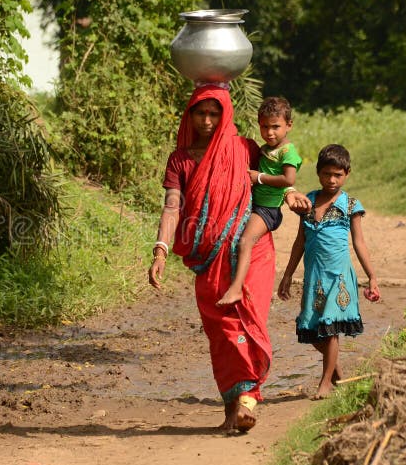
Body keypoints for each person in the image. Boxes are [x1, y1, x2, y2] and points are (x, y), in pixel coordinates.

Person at [147, 84, 311, 433]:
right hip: (208, 257)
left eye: (214, 113)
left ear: (225, 115)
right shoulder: (180, 159)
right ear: (189, 115)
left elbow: (276, 173)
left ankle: (247, 401)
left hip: (252, 252)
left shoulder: (244, 148)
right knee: (221, 332)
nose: (207, 120)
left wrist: (293, 191)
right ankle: (231, 409)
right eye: (200, 113)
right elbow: (172, 207)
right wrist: (160, 248)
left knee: (247, 323)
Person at [277, 144, 381, 399]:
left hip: (340, 276)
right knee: (311, 329)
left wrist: (372, 277)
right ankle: (338, 375)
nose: (332, 180)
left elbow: (359, 242)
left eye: (337, 175)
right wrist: (288, 273)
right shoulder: (307, 202)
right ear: (318, 174)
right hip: (314, 276)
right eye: (327, 174)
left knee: (331, 326)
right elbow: (299, 241)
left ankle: (325, 383)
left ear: (347, 174)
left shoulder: (350, 205)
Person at [217, 96, 302, 306]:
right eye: (265, 127)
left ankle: (236, 289)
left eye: (276, 127)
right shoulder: (267, 148)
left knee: (245, 241)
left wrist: (260, 178)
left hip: (268, 211)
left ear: (289, 125)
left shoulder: (287, 151)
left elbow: (288, 179)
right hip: (256, 205)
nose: (270, 132)